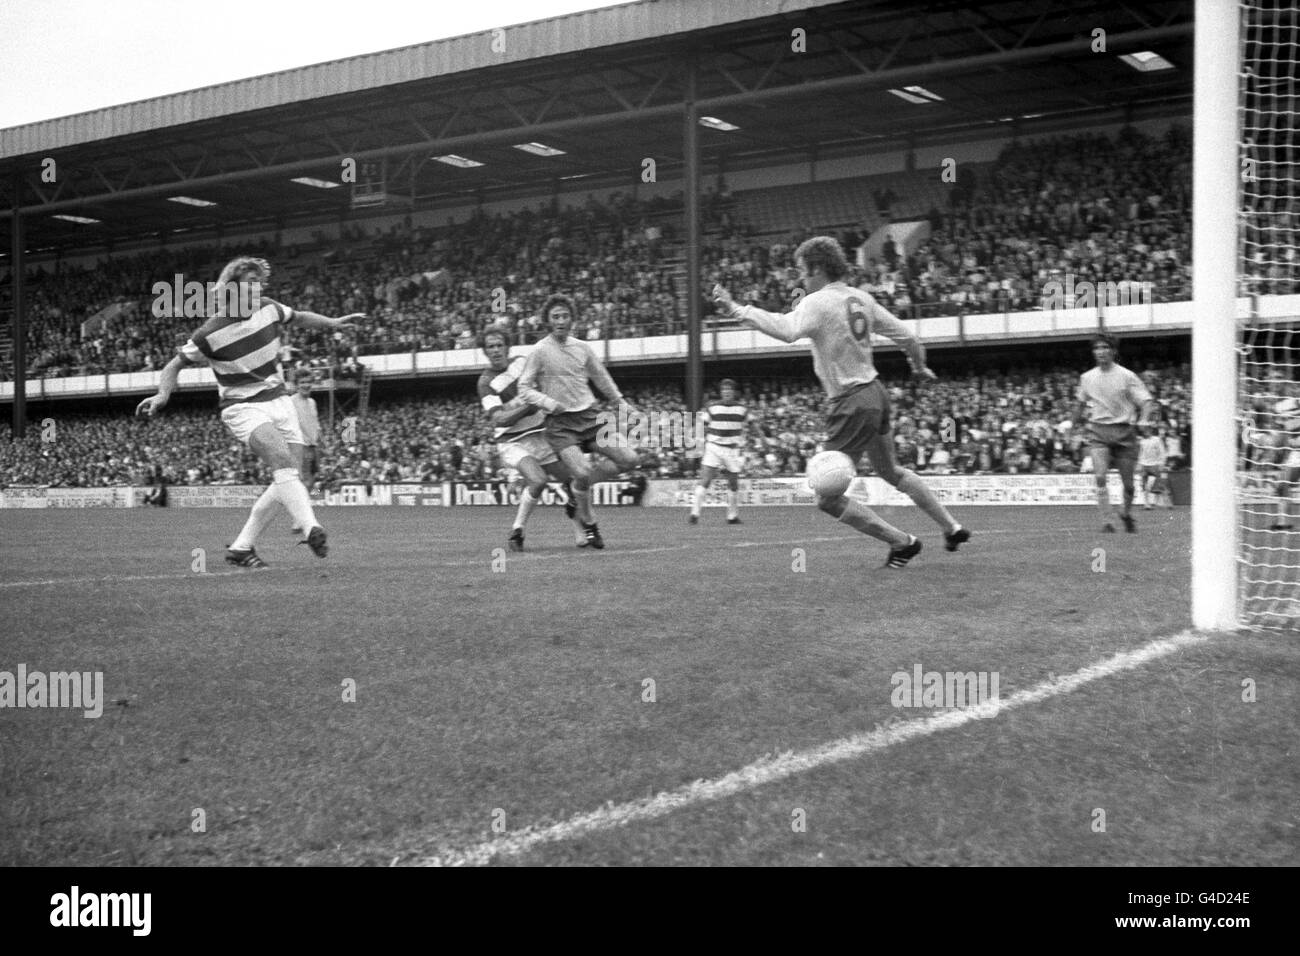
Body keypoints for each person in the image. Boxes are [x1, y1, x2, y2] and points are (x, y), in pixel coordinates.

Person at [712, 235, 970, 568]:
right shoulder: (861, 298)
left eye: (803, 272)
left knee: (826, 498)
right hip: (876, 392)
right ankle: (951, 527)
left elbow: (786, 329)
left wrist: (737, 309)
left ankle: (902, 543)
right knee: (891, 471)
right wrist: (918, 367)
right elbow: (908, 337)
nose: (801, 279)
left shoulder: (817, 302)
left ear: (818, 268)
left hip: (850, 401)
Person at [136, 255, 364, 568]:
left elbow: (299, 317)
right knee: (284, 464)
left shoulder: (270, 308)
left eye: (259, 284)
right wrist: (163, 394)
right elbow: (174, 364)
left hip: (280, 400)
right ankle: (313, 527)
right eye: (249, 284)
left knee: (287, 477)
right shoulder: (210, 333)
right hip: (243, 407)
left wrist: (333, 323)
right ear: (230, 289)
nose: (256, 289)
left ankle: (242, 547)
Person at [517, 294, 640, 549]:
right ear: (548, 321)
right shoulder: (539, 350)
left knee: (630, 460)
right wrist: (548, 403)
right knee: (581, 471)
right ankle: (591, 523)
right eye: (555, 317)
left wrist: (620, 402)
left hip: (590, 417)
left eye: (565, 316)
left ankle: (577, 492)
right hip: (560, 424)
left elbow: (602, 378)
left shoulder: (583, 348)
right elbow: (524, 387)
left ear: (572, 319)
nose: (561, 321)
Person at [477, 326, 585, 551]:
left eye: (499, 345)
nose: (496, 350)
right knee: (538, 480)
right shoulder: (486, 382)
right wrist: (529, 405)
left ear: (507, 346)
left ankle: (580, 532)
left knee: (574, 481)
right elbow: (499, 419)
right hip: (512, 441)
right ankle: (517, 531)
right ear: (485, 351)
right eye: (490, 346)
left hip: (541, 434)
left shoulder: (522, 362)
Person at [1073, 335, 1157, 533]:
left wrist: (1144, 418)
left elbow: (1146, 401)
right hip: (1098, 432)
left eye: (1105, 347)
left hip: (1124, 433)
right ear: (1093, 352)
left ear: (1113, 351)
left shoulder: (1127, 376)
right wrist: (1070, 423)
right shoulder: (1087, 378)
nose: (1101, 351)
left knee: (1128, 486)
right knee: (1100, 477)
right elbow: (1079, 404)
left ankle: (1125, 514)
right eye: (1097, 348)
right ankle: (1107, 522)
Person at [690, 378, 748, 525]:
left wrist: (764, 439)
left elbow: (753, 424)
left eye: (729, 390)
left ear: (734, 392)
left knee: (733, 483)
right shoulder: (712, 407)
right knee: (706, 480)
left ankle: (732, 516)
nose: (726, 392)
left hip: (732, 450)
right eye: (724, 390)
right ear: (721, 392)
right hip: (714, 447)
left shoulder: (742, 409)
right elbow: (701, 424)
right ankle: (694, 514)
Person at [290, 377, 322, 494]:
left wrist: (320, 438)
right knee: (304, 478)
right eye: (302, 382)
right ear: (296, 385)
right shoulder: (291, 401)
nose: (306, 385)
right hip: (301, 446)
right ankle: (301, 508)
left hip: (314, 446)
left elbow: (315, 423)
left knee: (314, 476)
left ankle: (302, 505)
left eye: (309, 382)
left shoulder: (312, 402)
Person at [1137, 424, 1172, 510]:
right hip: (1144, 465)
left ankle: (1168, 503)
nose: (1146, 432)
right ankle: (1146, 504)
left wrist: (1162, 464)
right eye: (1144, 430)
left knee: (1161, 483)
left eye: (1147, 430)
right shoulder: (1141, 441)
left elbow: (1162, 451)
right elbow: (1140, 454)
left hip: (1155, 465)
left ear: (1151, 431)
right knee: (1144, 485)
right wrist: (1139, 464)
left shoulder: (1157, 440)